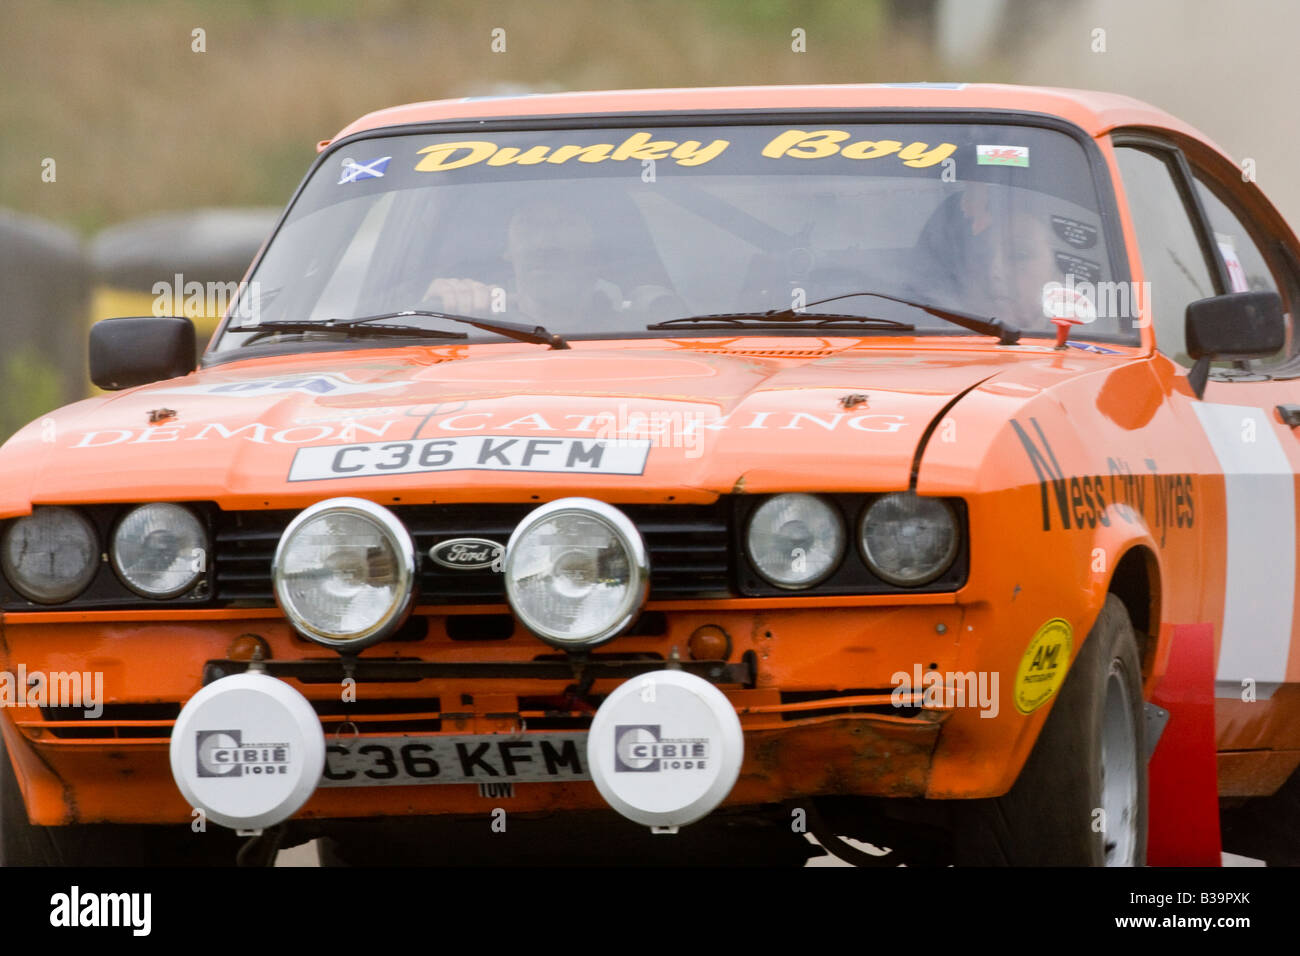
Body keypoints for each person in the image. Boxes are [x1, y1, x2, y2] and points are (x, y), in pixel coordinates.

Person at [422, 197, 682, 325]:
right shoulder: (459, 322)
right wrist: (428, 311)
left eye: (565, 225)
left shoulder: (651, 328)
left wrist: (667, 310)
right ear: (506, 248)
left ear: (598, 247)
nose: (543, 244)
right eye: (528, 225)